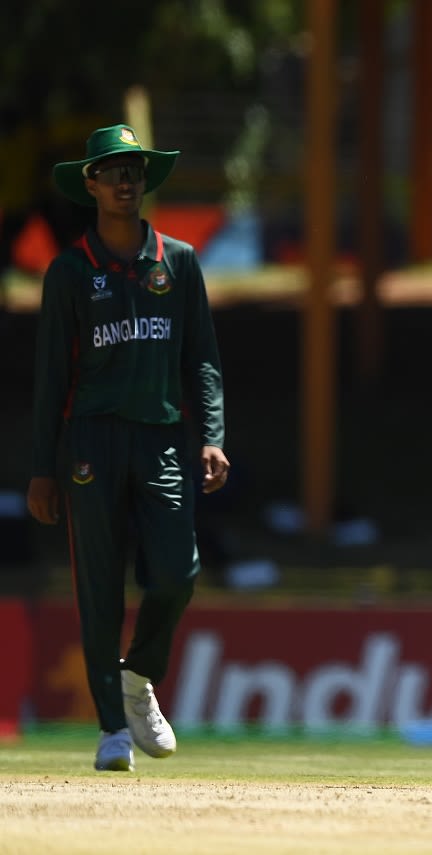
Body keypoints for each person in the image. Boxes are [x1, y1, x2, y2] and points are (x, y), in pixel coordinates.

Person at [27, 124, 230, 771]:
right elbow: (51, 377)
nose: (125, 180)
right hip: (90, 441)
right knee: (99, 588)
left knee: (178, 570)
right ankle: (113, 729)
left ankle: (139, 673)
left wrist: (214, 435)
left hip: (161, 438)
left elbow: (203, 360)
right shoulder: (68, 272)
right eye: (112, 169)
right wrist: (42, 469)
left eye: (135, 169)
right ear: (90, 182)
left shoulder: (180, 262)